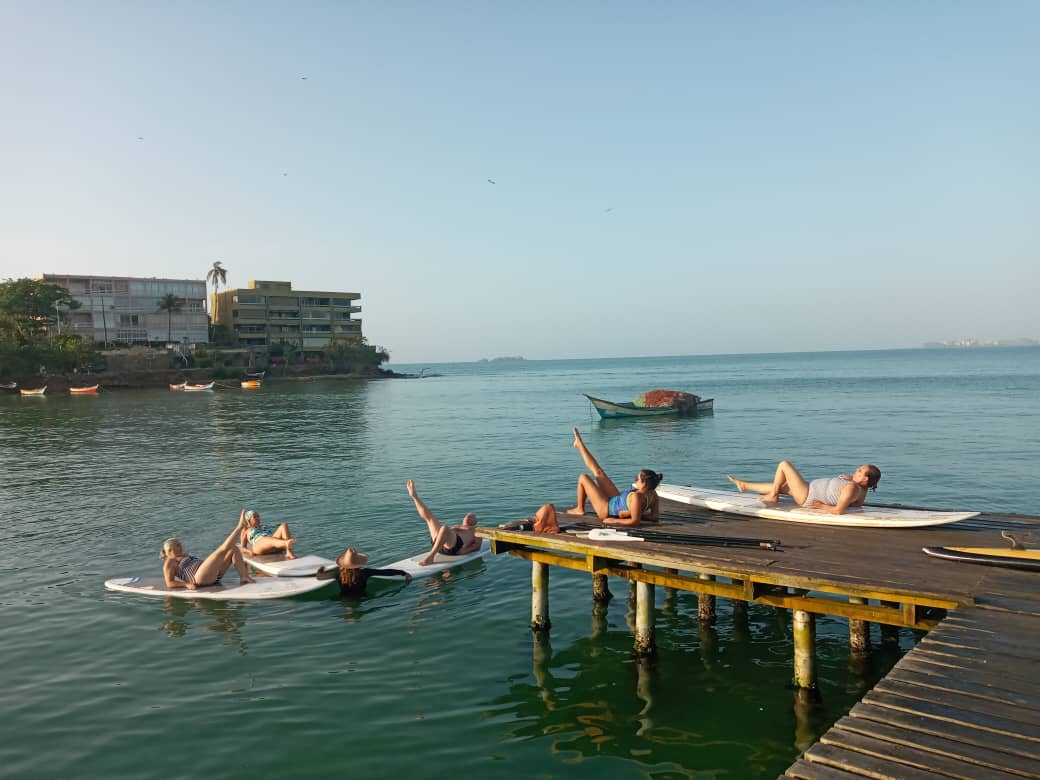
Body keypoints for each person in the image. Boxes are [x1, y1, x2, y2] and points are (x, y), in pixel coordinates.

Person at [564, 427, 662, 526]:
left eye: (637, 479)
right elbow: (654, 517)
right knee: (599, 472)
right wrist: (634, 513)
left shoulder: (637, 497)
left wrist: (615, 520)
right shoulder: (653, 495)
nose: (635, 480)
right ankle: (580, 445)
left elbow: (634, 522)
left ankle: (580, 509)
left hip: (606, 510)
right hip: (617, 501)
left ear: (644, 483)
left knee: (583, 477)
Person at [727, 461, 882, 515]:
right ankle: (744, 485)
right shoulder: (860, 488)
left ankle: (773, 496)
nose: (857, 470)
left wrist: (822, 506)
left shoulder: (852, 489)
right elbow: (858, 504)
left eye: (860, 471)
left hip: (808, 496)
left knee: (784, 465)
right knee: (781, 485)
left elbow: (838, 511)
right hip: (809, 489)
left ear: (866, 479)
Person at [160, 512, 255, 589]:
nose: (180, 545)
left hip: (212, 575)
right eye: (177, 545)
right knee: (222, 549)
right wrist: (186, 585)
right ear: (170, 550)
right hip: (200, 579)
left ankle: (244, 576)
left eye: (179, 543)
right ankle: (240, 527)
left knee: (233, 548)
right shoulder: (170, 562)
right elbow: (170, 583)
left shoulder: (184, 555)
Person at [406, 479, 482, 566]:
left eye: (472, 516)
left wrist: (463, 551)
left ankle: (431, 556)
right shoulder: (457, 526)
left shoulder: (476, 529)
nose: (469, 516)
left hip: (454, 547)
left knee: (444, 528)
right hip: (439, 542)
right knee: (431, 518)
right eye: (467, 515)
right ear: (463, 519)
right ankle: (415, 496)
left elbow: (477, 546)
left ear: (476, 521)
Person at [315, 548, 411, 596]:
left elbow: (319, 577)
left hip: (343, 598)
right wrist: (403, 573)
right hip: (363, 597)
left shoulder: (338, 574)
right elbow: (385, 572)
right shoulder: (365, 572)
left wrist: (320, 570)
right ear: (359, 563)